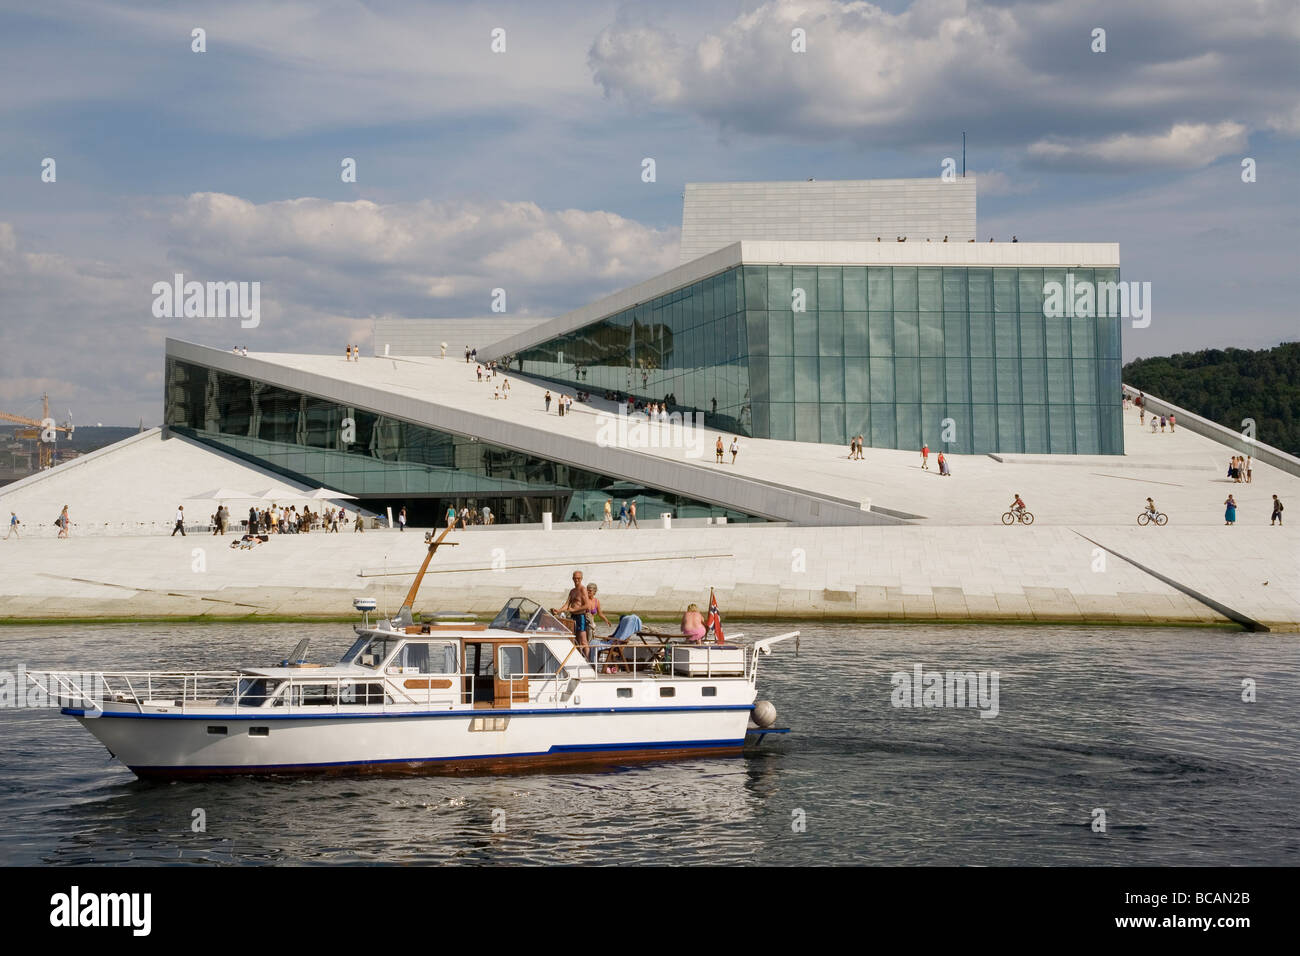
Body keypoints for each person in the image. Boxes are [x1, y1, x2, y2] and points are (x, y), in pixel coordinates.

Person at [553, 570, 594, 657]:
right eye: (575, 578)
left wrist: (574, 610)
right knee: (576, 640)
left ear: (581, 578)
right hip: (573, 616)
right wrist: (559, 611)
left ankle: (588, 662)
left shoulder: (583, 590)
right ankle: (579, 658)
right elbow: (567, 604)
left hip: (581, 617)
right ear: (572, 579)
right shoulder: (572, 591)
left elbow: (587, 606)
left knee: (583, 641)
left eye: (578, 578)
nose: (577, 580)